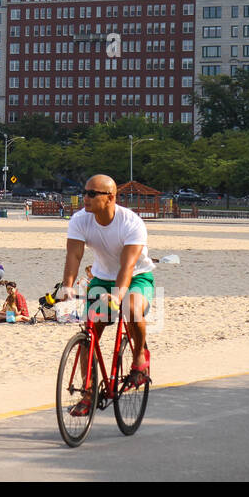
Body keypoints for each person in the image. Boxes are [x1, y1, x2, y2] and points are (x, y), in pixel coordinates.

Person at [58, 174, 157, 415]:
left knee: (130, 309)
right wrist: (68, 285)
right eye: (85, 192)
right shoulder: (80, 219)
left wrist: (118, 295)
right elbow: (74, 255)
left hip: (136, 277)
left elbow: (128, 266)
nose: (86, 198)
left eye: (93, 194)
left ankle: (139, 358)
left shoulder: (131, 223)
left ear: (111, 197)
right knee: (89, 334)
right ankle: (88, 393)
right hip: (102, 278)